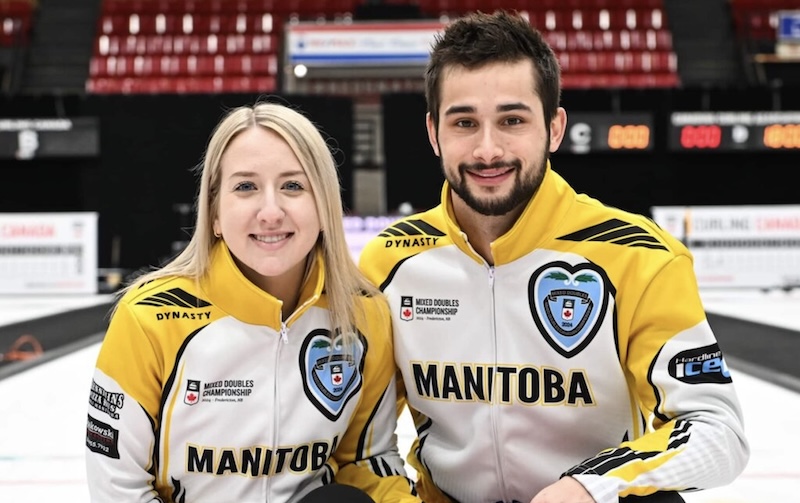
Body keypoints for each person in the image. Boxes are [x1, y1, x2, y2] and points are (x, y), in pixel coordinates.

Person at [358, 10, 749, 503]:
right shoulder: (387, 262)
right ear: (434, 133)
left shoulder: (639, 258)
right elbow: (360, 446)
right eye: (464, 122)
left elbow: (715, 427)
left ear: (555, 127)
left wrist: (591, 486)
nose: (487, 149)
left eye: (512, 120)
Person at [85, 101, 420, 503]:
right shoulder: (150, 317)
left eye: (293, 186)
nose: (271, 212)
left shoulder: (364, 313)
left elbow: (366, 459)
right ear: (214, 214)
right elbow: (118, 488)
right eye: (246, 187)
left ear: (325, 205)